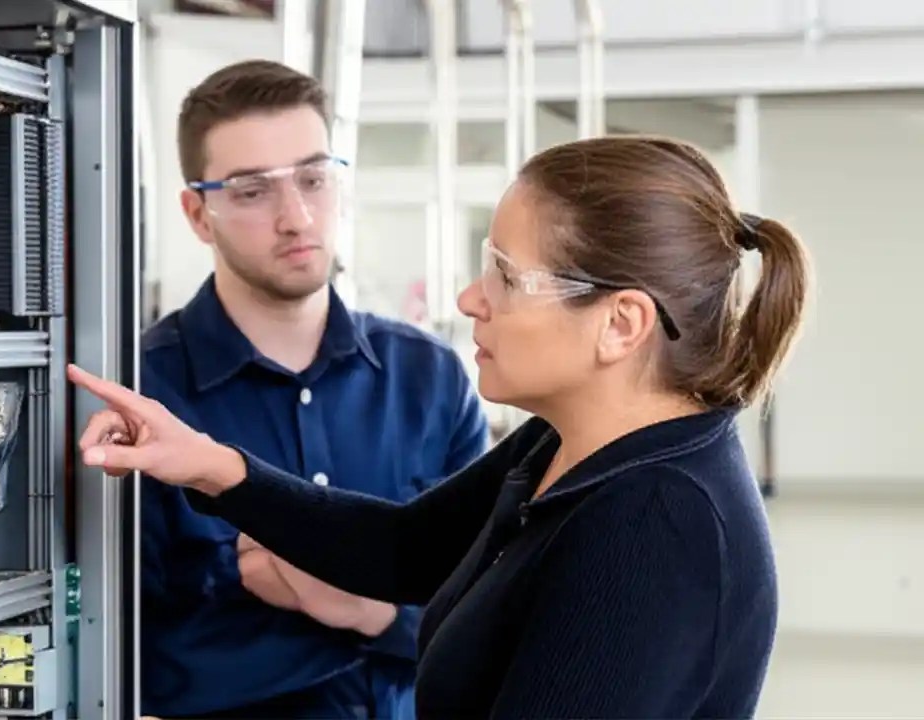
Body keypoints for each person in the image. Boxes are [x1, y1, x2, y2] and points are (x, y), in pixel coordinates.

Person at [70, 134, 812, 718]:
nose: (468, 298)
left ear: (621, 324)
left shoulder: (657, 523)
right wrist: (207, 463)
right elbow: (406, 550)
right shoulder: (569, 443)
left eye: (506, 277)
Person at [134, 60, 488, 719]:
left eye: (313, 178)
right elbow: (119, 651)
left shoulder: (430, 379)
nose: (296, 216)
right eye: (251, 192)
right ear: (197, 213)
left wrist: (369, 610)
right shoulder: (146, 396)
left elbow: (490, 619)